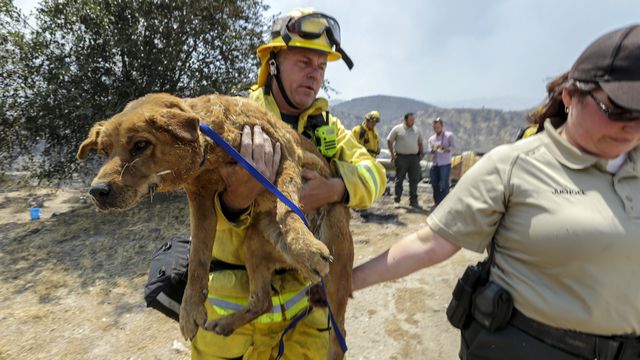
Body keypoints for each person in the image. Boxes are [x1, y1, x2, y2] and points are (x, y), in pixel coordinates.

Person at [352, 24, 640, 360]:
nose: (632, 127)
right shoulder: (514, 165)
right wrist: (343, 283)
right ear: (570, 96)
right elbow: (430, 243)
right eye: (616, 110)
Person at [191, 8, 386, 360]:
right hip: (235, 312)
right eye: (304, 62)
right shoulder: (237, 118)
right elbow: (202, 204)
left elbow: (375, 175)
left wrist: (336, 189)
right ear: (274, 63)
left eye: (321, 66)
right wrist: (238, 199)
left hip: (304, 313)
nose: (315, 75)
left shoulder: (328, 127)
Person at [387, 112, 424, 209]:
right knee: (399, 179)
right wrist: (392, 154)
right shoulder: (397, 129)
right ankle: (397, 200)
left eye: (413, 120)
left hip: (414, 158)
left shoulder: (417, 130)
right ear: (405, 120)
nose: (412, 122)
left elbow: (420, 142)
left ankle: (413, 201)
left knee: (414, 180)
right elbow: (389, 141)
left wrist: (421, 153)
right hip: (401, 158)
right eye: (410, 120)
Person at [427, 117, 455, 208]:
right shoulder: (431, 138)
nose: (436, 129)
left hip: (445, 164)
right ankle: (437, 203)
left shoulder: (449, 136)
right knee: (434, 184)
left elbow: (453, 148)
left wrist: (443, 148)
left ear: (442, 126)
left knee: (444, 184)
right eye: (434, 127)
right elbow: (429, 151)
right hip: (435, 163)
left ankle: (445, 205)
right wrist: (433, 150)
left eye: (438, 127)